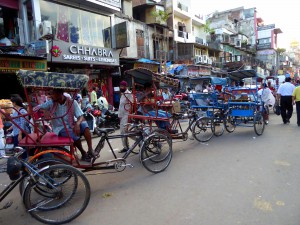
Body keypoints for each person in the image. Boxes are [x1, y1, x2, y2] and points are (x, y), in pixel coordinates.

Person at [33, 89, 95, 162]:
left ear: (60, 94)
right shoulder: (51, 103)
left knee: (84, 124)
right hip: (59, 129)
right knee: (73, 134)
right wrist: (44, 110)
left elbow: (81, 116)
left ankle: (90, 149)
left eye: (52, 94)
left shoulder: (72, 103)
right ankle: (83, 152)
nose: (51, 96)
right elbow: (35, 108)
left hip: (71, 125)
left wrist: (77, 124)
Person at [118, 81, 133, 153]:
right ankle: (125, 147)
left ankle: (140, 141)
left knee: (126, 131)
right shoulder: (122, 94)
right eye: (120, 86)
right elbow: (121, 106)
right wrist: (119, 116)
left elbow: (132, 105)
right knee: (122, 132)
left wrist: (129, 117)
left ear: (125, 87)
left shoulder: (128, 94)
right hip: (122, 116)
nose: (121, 87)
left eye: (122, 86)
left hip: (127, 115)